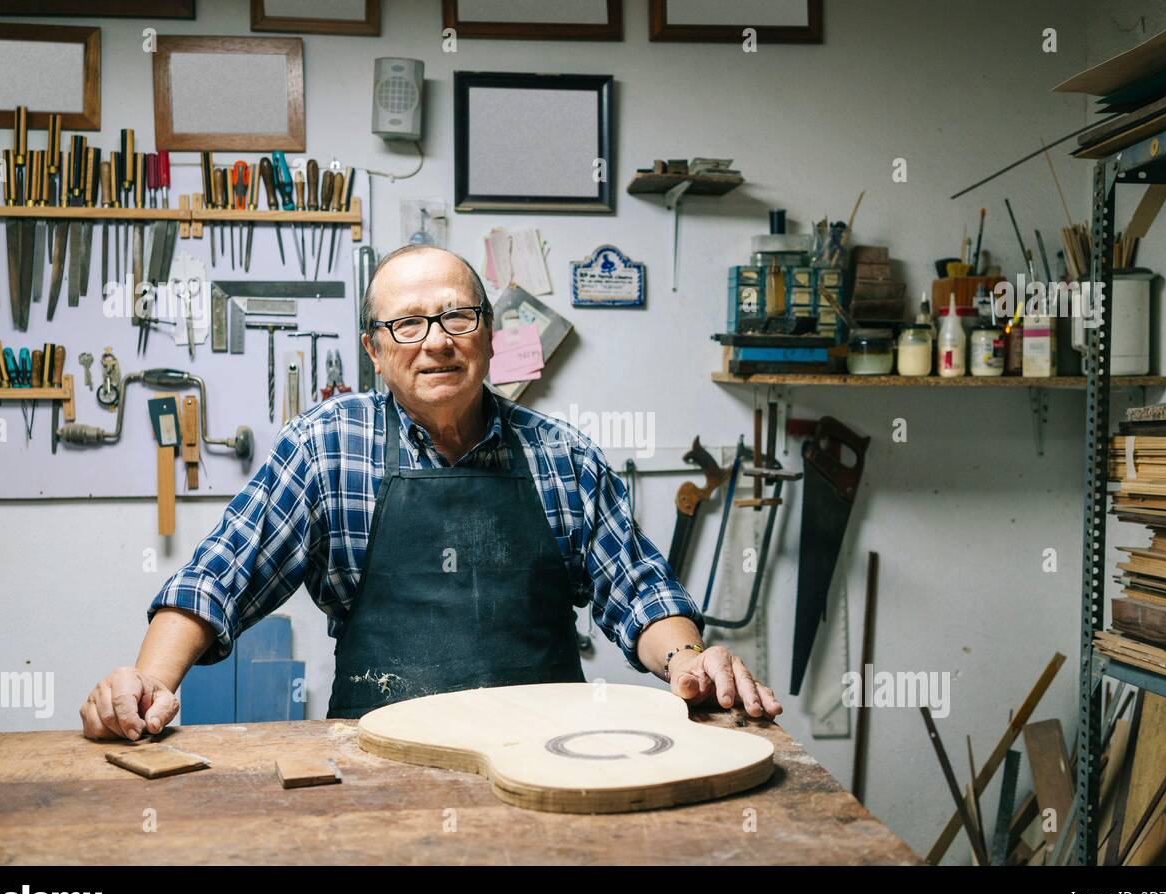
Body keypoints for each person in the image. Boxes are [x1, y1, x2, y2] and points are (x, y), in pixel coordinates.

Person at [80, 245, 782, 739]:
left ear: (488, 333)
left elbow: (640, 591)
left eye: (456, 317)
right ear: (375, 350)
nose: (436, 342)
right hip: (378, 757)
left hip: (552, 759)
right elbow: (218, 577)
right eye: (407, 324)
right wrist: (148, 681)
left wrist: (691, 662)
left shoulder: (564, 456)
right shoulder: (326, 447)